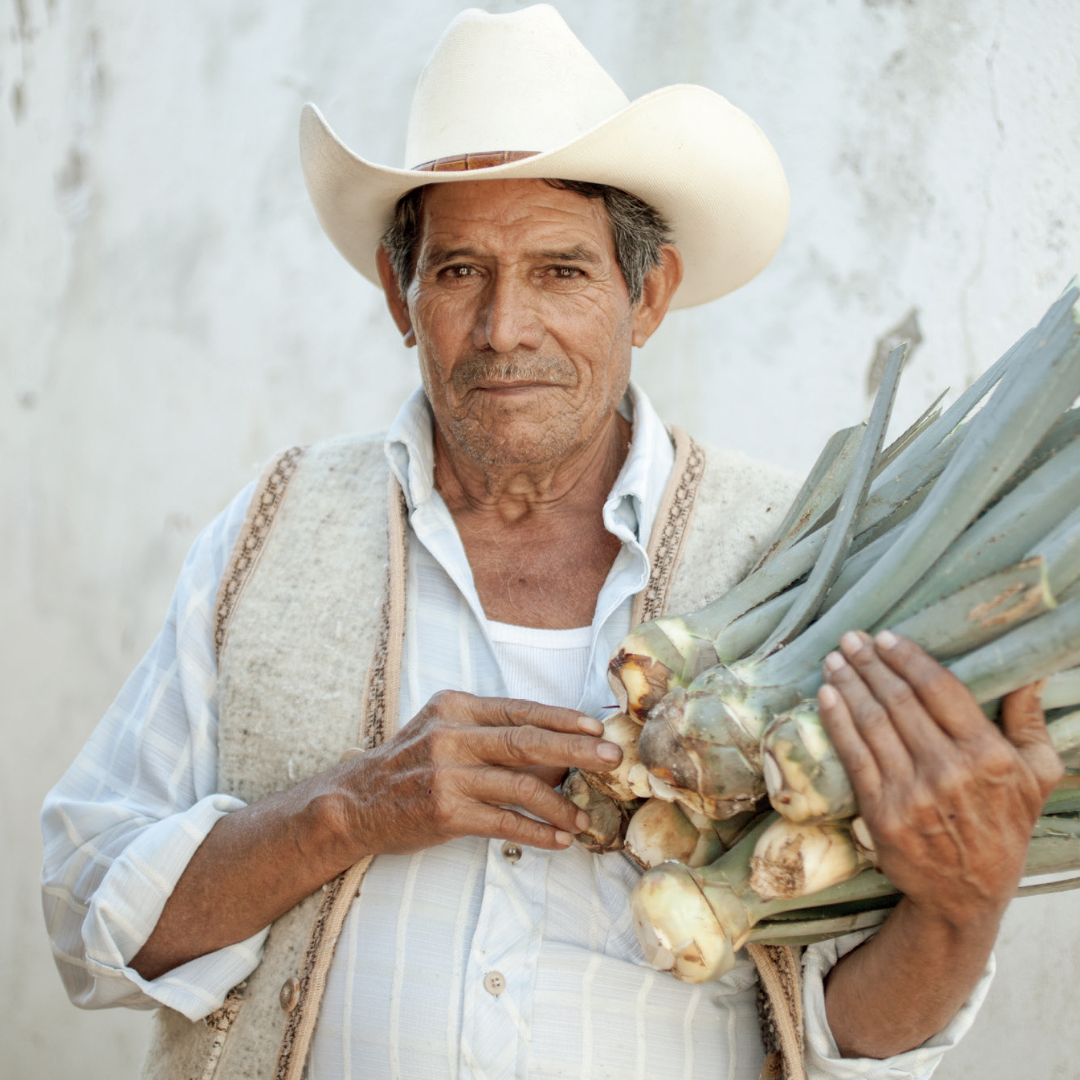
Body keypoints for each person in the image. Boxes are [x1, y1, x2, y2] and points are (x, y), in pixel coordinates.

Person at [41, 7, 1062, 1080]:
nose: (503, 329)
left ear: (648, 293)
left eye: (562, 271)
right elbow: (92, 921)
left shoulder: (800, 555)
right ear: (401, 294)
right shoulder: (275, 529)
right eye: (459, 271)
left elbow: (848, 1043)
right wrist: (346, 811)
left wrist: (957, 907)